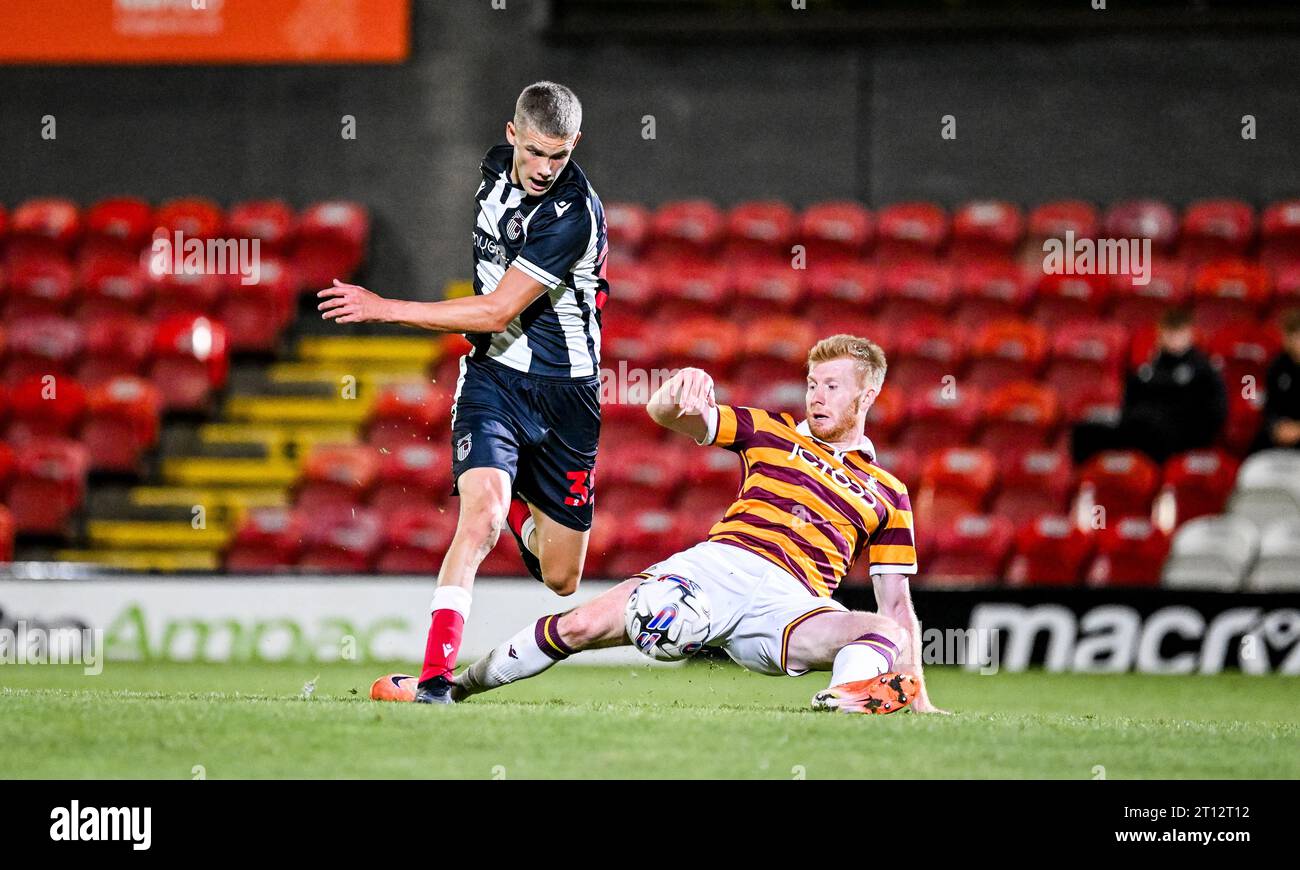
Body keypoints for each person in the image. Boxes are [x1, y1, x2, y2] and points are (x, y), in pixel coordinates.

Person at [373, 335, 946, 714]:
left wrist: (919, 698)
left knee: (882, 632)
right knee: (577, 628)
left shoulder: (889, 493)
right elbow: (666, 415)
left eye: (832, 386)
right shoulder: (773, 431)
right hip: (723, 566)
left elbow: (896, 603)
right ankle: (454, 687)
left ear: (868, 392)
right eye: (812, 383)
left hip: (797, 605)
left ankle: (843, 700)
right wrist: (681, 390)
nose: (816, 396)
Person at [317, 82, 608, 704]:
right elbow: (496, 321)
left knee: (562, 579)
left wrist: (383, 308)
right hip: (494, 380)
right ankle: (432, 682)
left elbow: (500, 309)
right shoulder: (492, 169)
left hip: (567, 399)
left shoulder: (572, 215)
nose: (544, 169)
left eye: (558, 156)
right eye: (534, 152)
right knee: (478, 521)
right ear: (511, 136)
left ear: (574, 146)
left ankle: (524, 505)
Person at [1072, 306, 1227, 466]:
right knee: (1086, 431)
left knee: (1150, 431)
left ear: (1190, 334)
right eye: (1168, 332)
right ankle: (1087, 484)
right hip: (1140, 429)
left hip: (1178, 435)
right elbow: (1129, 403)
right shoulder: (1147, 369)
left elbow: (1214, 412)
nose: (1173, 338)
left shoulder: (1203, 369)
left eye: (1178, 332)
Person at [1254, 308, 1300, 452]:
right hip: (1280, 431)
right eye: (1292, 336)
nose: (1296, 342)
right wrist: (1276, 426)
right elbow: (1269, 405)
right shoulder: (1277, 365)